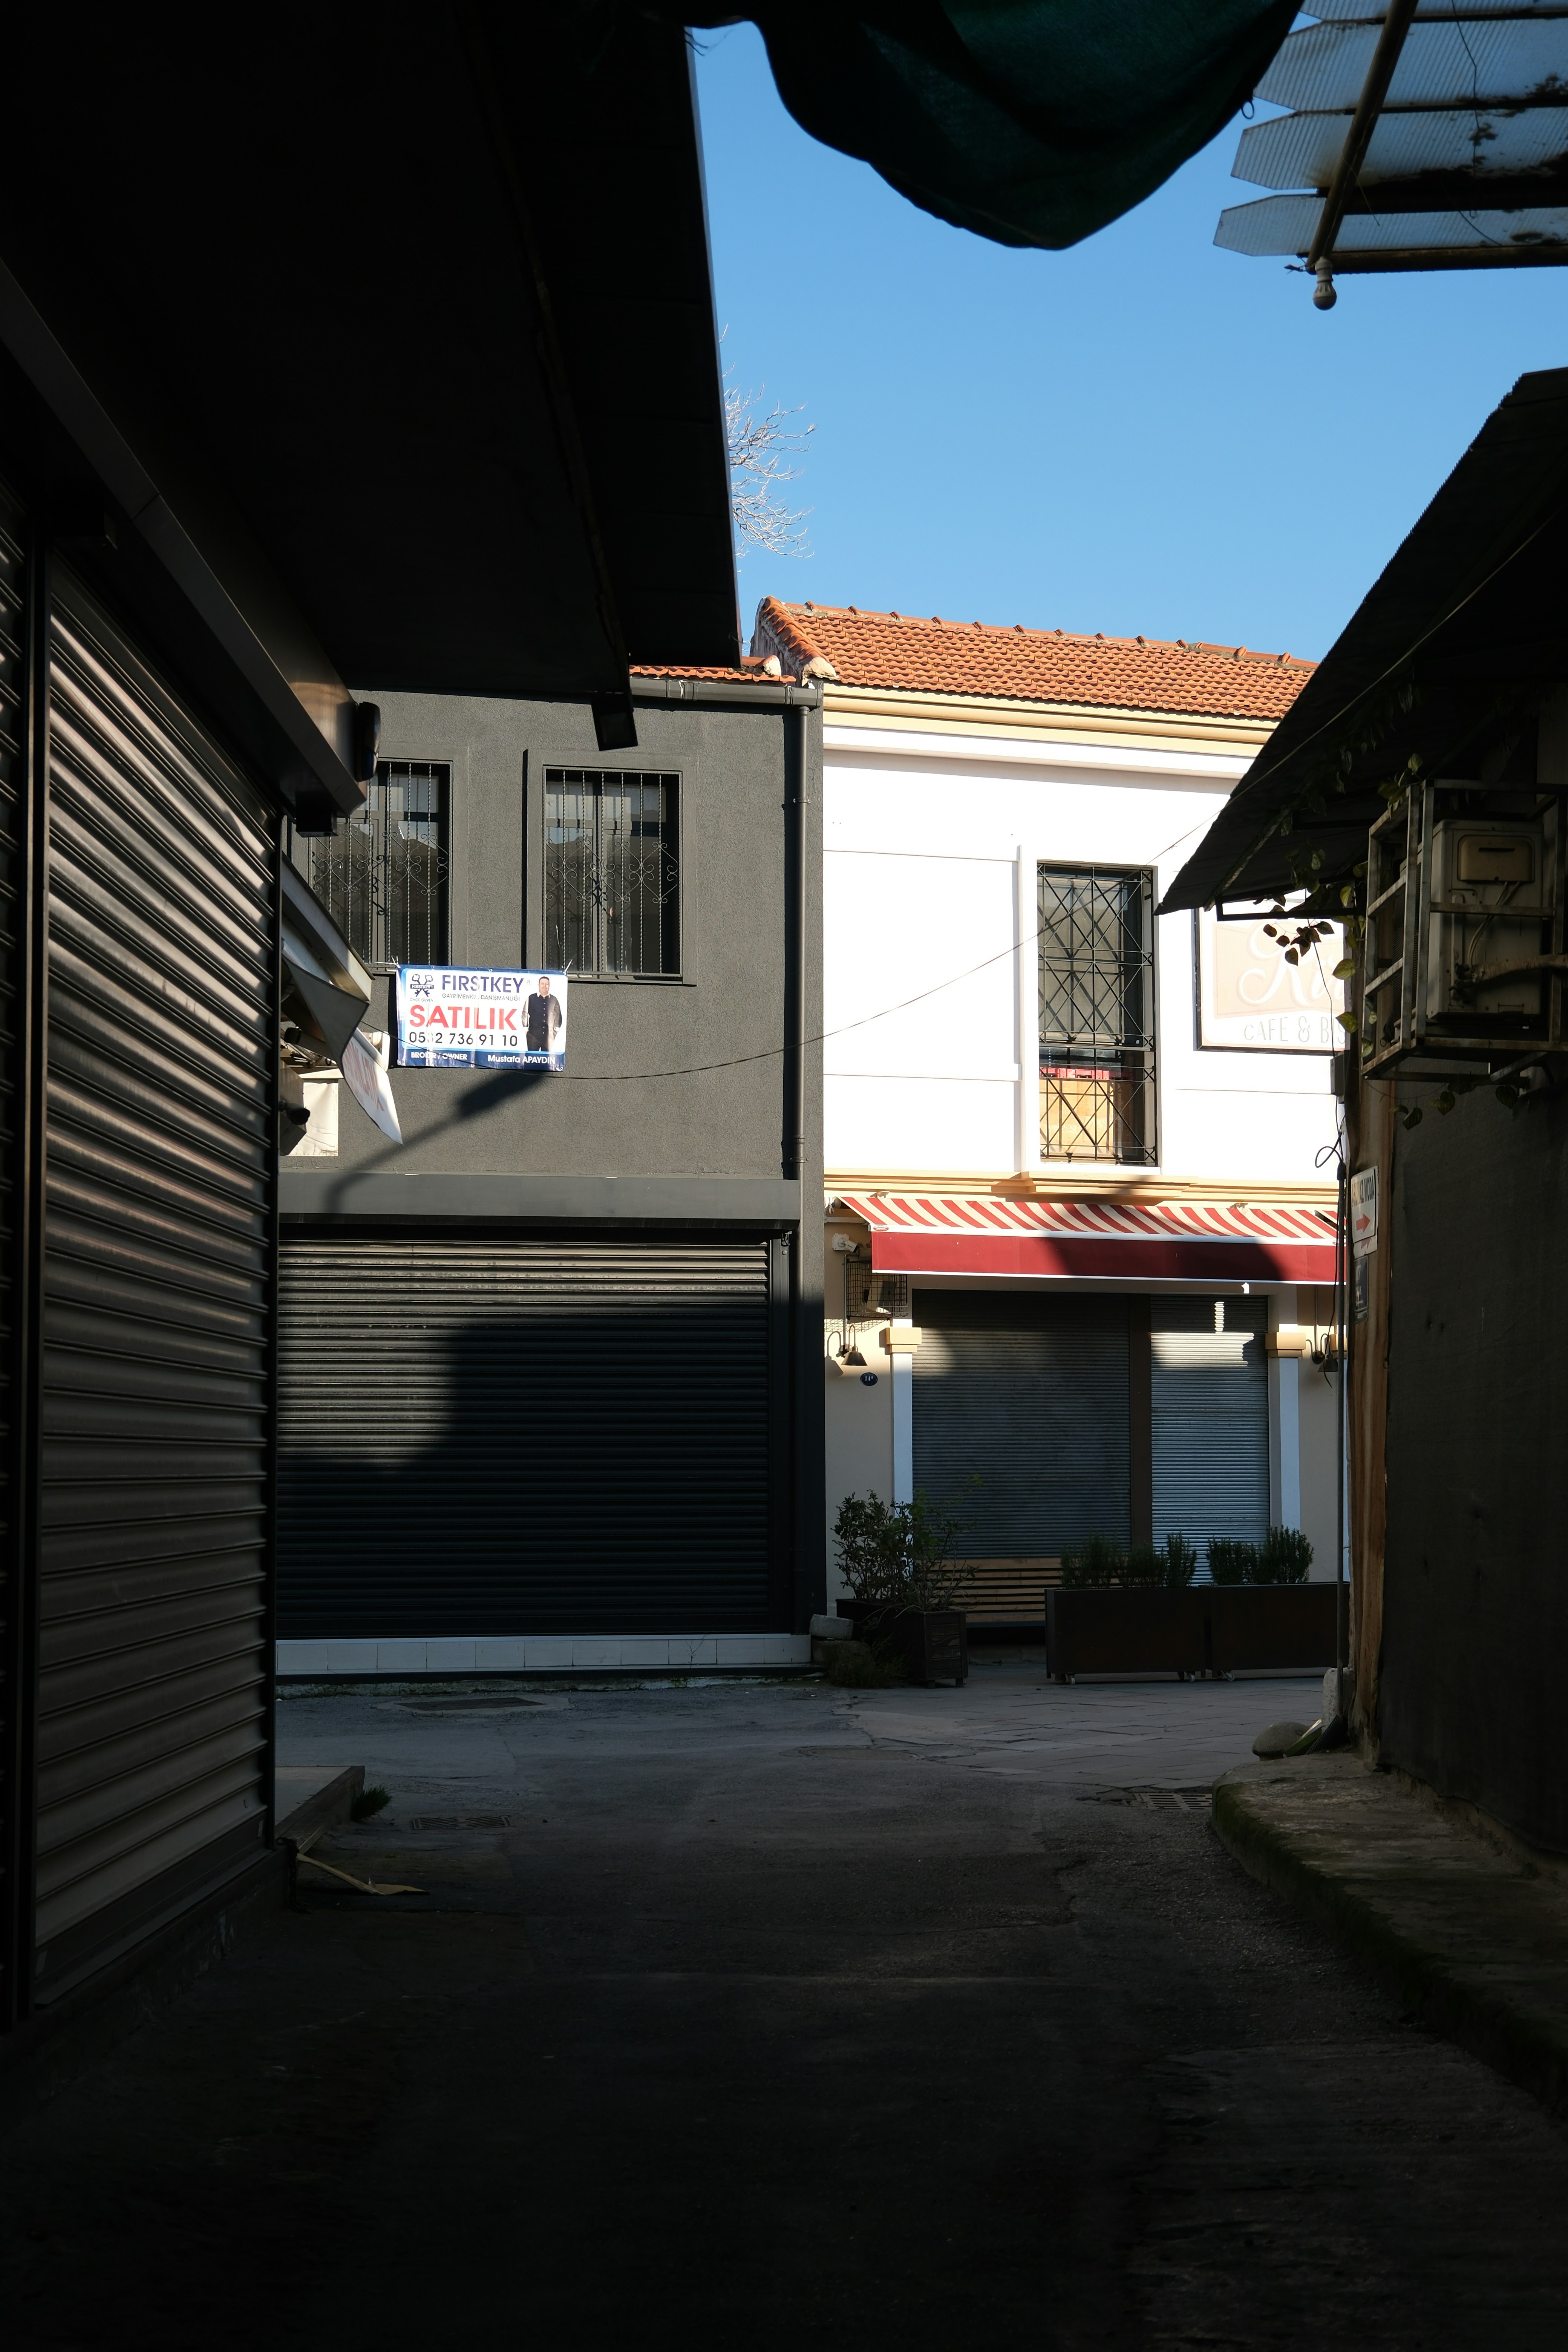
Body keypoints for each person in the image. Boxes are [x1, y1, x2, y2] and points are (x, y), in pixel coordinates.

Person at [525, 975, 563, 1055]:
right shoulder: (531, 998)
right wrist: (525, 1029)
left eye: (547, 984)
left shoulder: (554, 999)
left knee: (546, 1061)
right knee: (531, 1059)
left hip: (548, 1037)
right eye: (542, 984)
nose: (545, 986)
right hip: (533, 1036)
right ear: (539, 985)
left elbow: (558, 1015)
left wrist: (556, 1031)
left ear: (549, 986)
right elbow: (525, 1013)